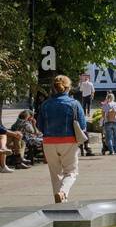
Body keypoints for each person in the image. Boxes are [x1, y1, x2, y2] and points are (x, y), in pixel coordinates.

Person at [35, 75, 87, 203]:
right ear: (68, 88)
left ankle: (60, 201)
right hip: (69, 141)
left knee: (55, 174)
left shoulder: (45, 104)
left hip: (49, 142)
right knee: (71, 172)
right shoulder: (74, 104)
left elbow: (39, 125)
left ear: (54, 88)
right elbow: (83, 125)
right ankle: (63, 192)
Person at [77, 73, 95, 156]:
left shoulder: (83, 84)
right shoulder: (91, 83)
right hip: (88, 96)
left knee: (84, 105)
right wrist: (92, 95)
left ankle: (84, 113)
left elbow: (80, 90)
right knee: (89, 105)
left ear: (85, 79)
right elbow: (93, 91)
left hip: (84, 96)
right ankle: (88, 113)